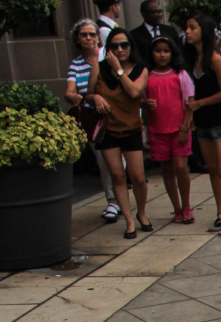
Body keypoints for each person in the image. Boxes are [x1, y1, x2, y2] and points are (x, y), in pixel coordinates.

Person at [89, 27, 151, 238]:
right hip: (108, 130)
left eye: (124, 45)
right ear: (109, 48)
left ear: (130, 47)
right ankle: (129, 220)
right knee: (117, 175)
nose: (120, 49)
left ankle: (141, 212)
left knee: (138, 177)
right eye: (115, 46)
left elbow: (134, 92)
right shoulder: (98, 68)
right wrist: (95, 98)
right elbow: (88, 95)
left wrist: (118, 70)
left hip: (132, 127)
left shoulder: (141, 69)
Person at [183, 15, 221, 235]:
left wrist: (199, 103)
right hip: (202, 121)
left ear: (203, 31)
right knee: (212, 170)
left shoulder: (215, 58)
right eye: (187, 28)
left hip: (220, 120)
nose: (187, 31)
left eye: (192, 28)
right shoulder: (192, 58)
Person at [65, 20, 121, 224]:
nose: (88, 38)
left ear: (98, 37)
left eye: (91, 34)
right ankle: (113, 201)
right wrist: (74, 97)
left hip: (117, 116)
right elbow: (69, 91)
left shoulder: (110, 58)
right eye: (83, 35)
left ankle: (123, 197)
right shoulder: (76, 64)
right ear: (77, 40)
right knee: (104, 163)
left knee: (122, 164)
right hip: (95, 121)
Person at [142, 35, 194, 224]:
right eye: (158, 51)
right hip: (157, 130)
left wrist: (184, 126)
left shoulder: (180, 74)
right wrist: (144, 104)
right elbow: (140, 99)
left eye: (166, 51)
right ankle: (177, 208)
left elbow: (190, 102)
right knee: (166, 169)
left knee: (181, 167)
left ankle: (187, 205)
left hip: (179, 129)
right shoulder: (147, 75)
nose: (162, 55)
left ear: (172, 53)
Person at [129, 0, 181, 69]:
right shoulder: (134, 35)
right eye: (154, 12)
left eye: (160, 11)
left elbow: (179, 52)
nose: (158, 15)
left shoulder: (170, 31)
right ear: (144, 13)